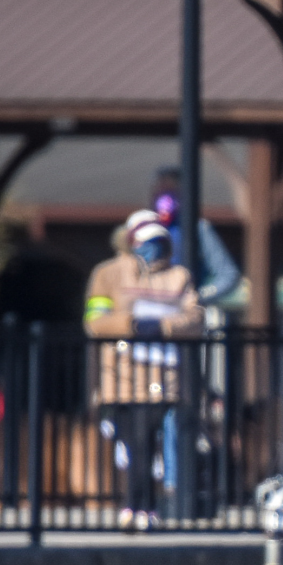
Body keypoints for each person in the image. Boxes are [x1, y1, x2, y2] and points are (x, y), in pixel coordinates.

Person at [83, 213, 203, 530]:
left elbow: (196, 318)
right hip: (121, 376)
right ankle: (140, 506)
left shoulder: (179, 276)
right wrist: (131, 325)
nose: (153, 248)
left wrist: (163, 326)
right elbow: (95, 322)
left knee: (146, 440)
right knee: (135, 442)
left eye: (159, 240)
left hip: (162, 377)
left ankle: (141, 507)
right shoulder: (107, 274)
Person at [151, 167, 241, 308]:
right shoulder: (145, 228)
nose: (165, 206)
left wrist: (199, 295)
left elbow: (228, 275)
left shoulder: (198, 228)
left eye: (171, 198)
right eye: (161, 198)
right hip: (150, 309)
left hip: (185, 310)